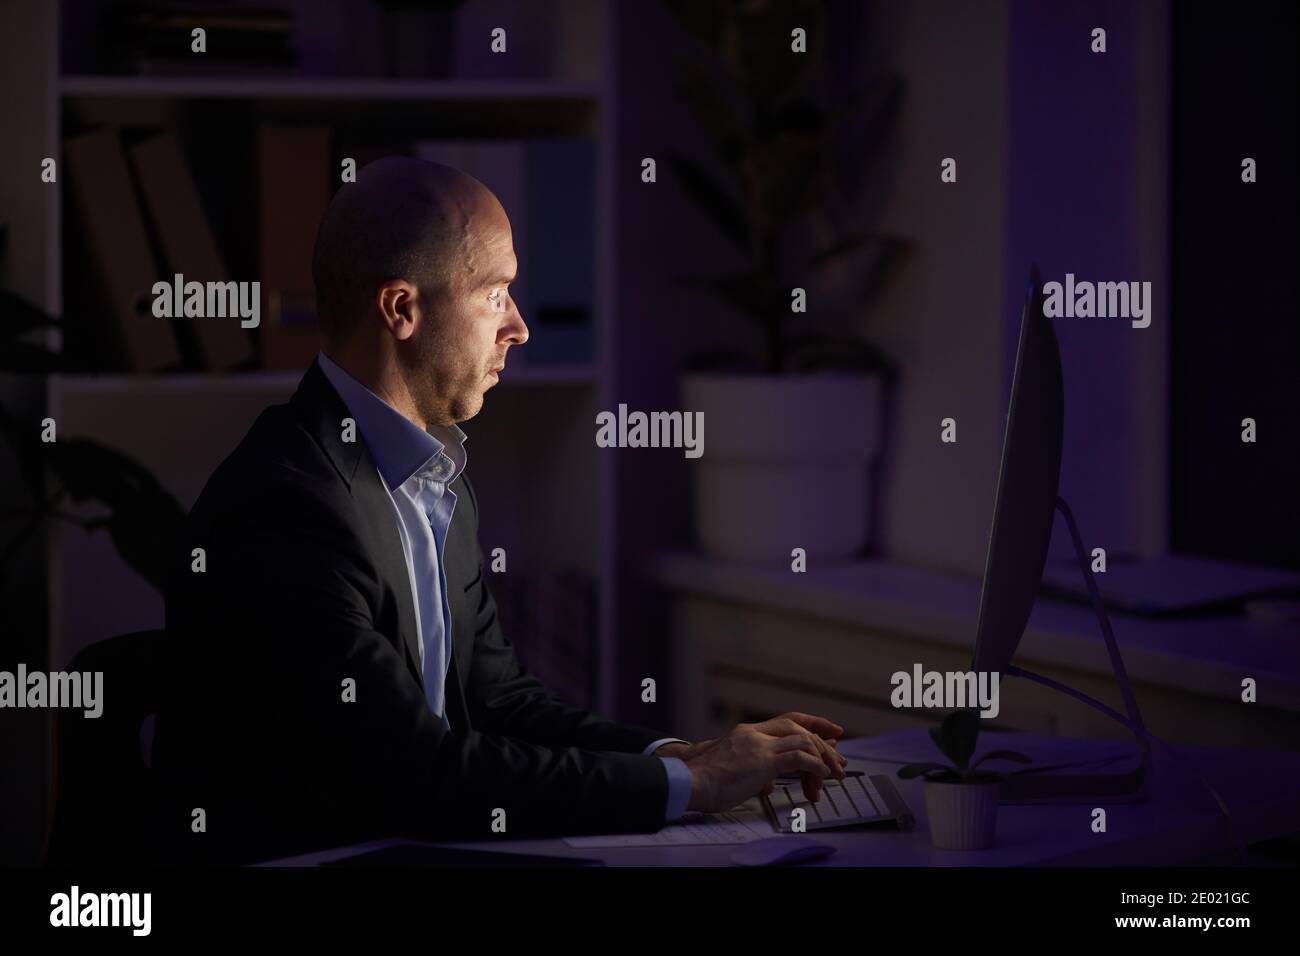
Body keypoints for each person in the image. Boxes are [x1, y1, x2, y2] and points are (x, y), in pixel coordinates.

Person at [151, 158, 846, 864]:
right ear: (401, 309)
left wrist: (680, 754)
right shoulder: (287, 503)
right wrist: (691, 784)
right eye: (495, 294)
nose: (518, 326)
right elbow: (417, 774)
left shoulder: (431, 471)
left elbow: (499, 702)